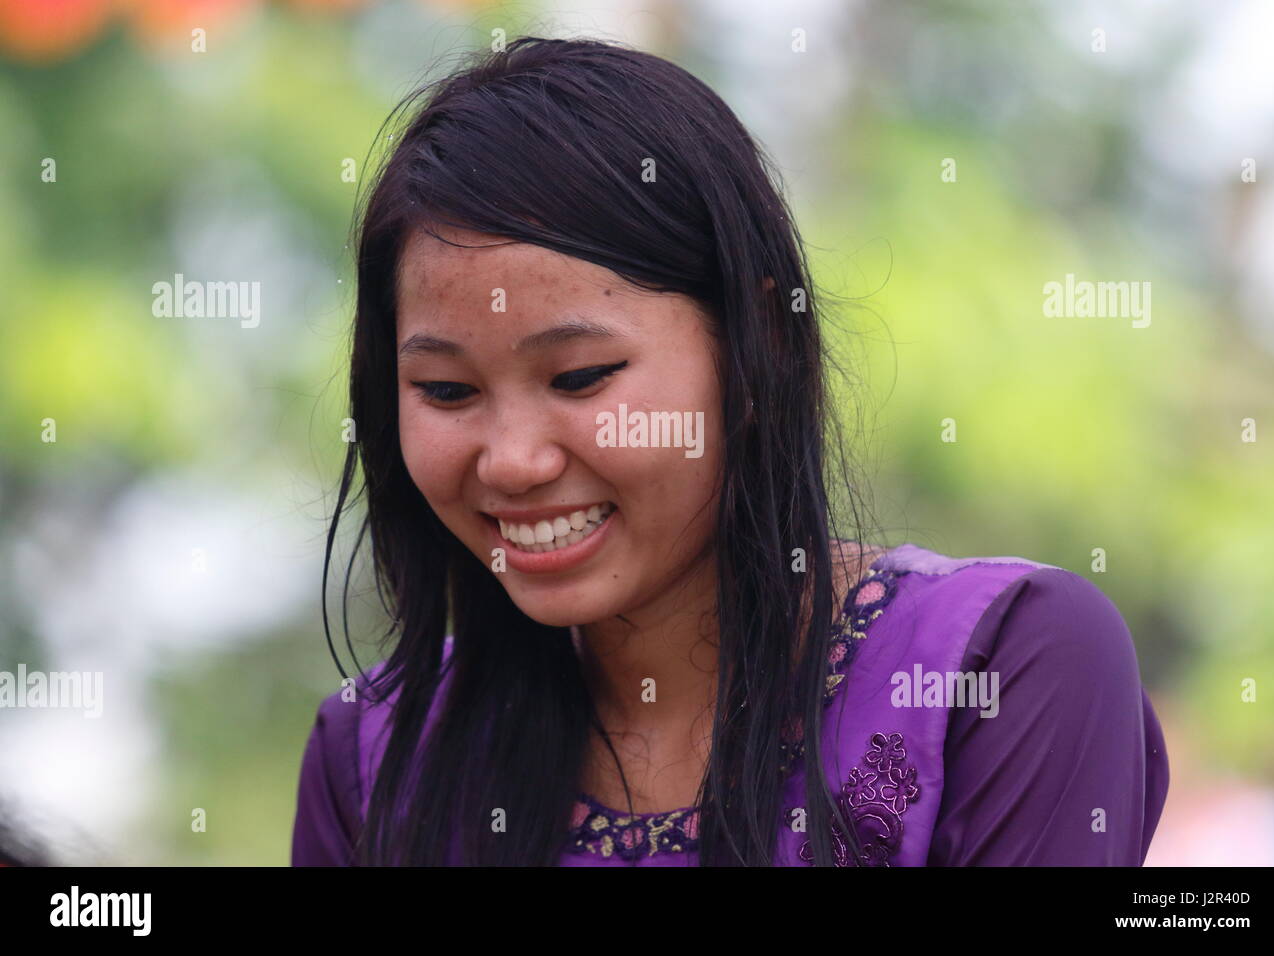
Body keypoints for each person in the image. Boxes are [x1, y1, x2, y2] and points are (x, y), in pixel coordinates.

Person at [291, 36, 1168, 866]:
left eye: (582, 376)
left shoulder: (1003, 667)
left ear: (758, 350)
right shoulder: (371, 759)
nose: (513, 462)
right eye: (447, 392)